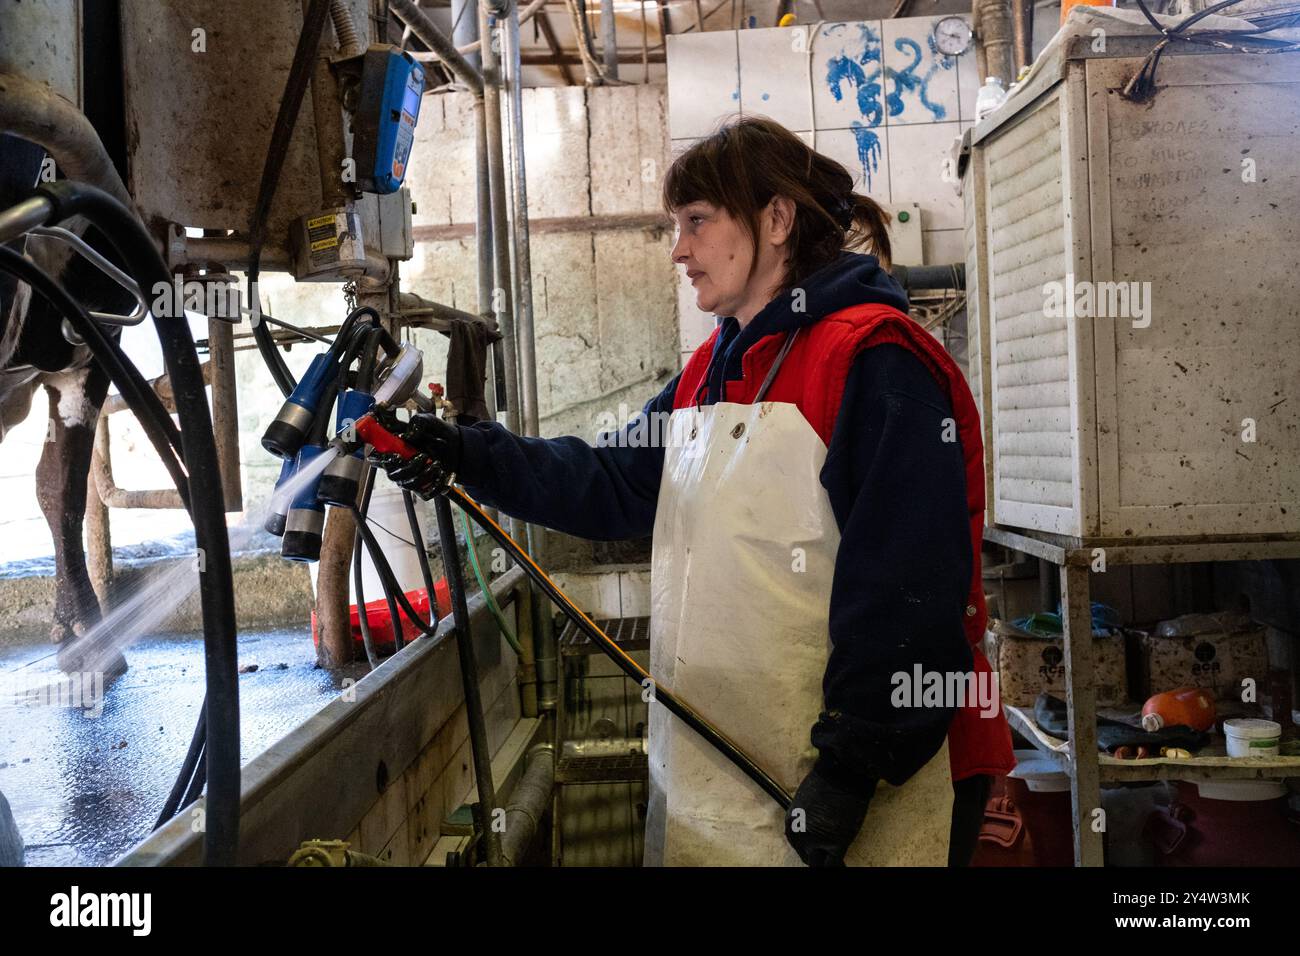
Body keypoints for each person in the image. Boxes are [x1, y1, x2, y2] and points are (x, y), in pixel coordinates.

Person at [377, 116, 1014, 866]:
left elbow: (910, 583)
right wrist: (469, 454)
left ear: (776, 220)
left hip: (864, 777)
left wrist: (851, 765)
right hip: (739, 766)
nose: (679, 249)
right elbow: (613, 481)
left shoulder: (875, 358)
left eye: (697, 222)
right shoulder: (716, 366)